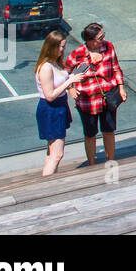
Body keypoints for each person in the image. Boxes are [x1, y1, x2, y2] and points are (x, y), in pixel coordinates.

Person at [63, 22, 127, 167]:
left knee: (109, 130)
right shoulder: (78, 53)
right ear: (90, 40)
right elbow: (65, 72)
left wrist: (121, 88)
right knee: (90, 134)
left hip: (107, 97)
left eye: (103, 36)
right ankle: (92, 164)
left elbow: (116, 68)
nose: (103, 39)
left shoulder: (108, 47)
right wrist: (71, 88)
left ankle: (110, 161)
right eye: (100, 37)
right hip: (88, 100)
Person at [35, 31, 82, 177]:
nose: (63, 50)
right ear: (52, 47)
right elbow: (49, 96)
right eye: (61, 47)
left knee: (52, 152)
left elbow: (60, 84)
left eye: (64, 46)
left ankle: (50, 179)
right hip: (51, 109)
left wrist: (70, 82)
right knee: (57, 154)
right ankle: (47, 184)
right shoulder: (46, 68)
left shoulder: (56, 63)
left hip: (60, 107)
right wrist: (69, 82)